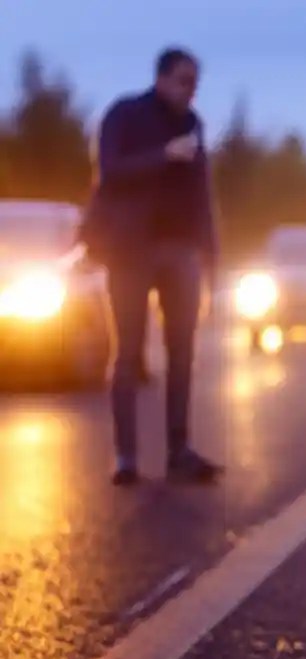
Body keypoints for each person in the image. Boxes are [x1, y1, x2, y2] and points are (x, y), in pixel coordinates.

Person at [80, 47, 223, 486]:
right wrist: (164, 154)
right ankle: (126, 457)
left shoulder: (193, 124)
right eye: (183, 81)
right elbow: (110, 170)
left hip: (181, 250)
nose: (190, 90)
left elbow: (202, 192)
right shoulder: (125, 114)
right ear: (161, 79)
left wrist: (212, 257)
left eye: (195, 83)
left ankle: (180, 450)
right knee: (128, 352)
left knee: (183, 352)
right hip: (130, 249)